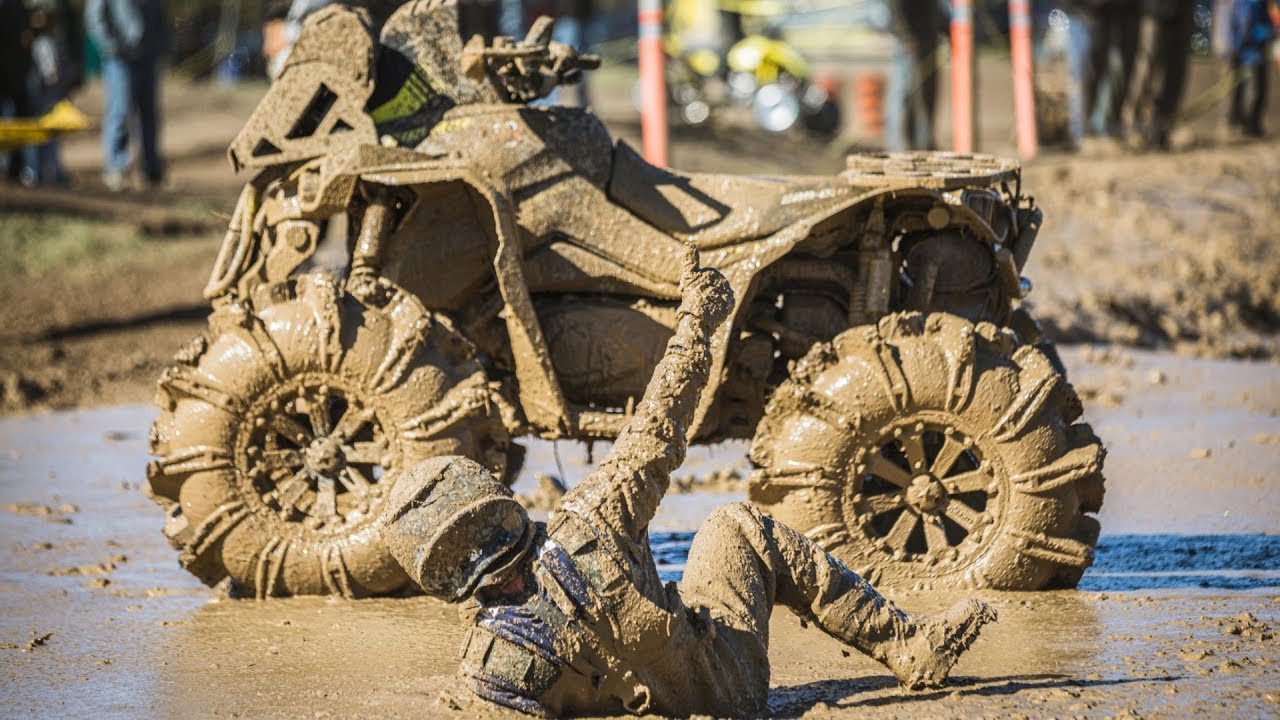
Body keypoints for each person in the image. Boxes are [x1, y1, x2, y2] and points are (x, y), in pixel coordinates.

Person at [381, 249, 996, 717]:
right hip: (726, 686)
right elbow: (660, 421)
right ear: (500, 508)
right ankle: (910, 645)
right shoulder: (594, 519)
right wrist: (698, 319)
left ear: (443, 578)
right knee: (737, 525)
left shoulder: (489, 664)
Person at [85, 0, 167, 191]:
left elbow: (160, 14)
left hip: (148, 56)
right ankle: (115, 168)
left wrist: (160, 45)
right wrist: (111, 46)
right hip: (119, 60)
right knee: (119, 112)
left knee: (150, 115)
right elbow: (94, 17)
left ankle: (151, 169)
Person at [1125, 0, 1196, 148]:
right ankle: (1136, 127)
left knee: (1177, 68)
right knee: (1149, 64)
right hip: (1155, 8)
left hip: (1184, 8)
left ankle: (1163, 129)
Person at [886, 0, 947, 152]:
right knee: (905, 97)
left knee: (926, 96)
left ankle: (923, 144)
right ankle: (900, 147)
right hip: (911, 42)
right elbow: (897, 7)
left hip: (927, 39)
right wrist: (907, 36)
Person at [1224, 0, 1277, 137]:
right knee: (1255, 91)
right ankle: (1248, 125)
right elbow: (1245, 25)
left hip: (1246, 50)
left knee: (1243, 91)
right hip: (1250, 52)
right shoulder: (1252, 3)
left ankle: (1242, 123)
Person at [1, 0, 33, 183]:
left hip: (16, 72)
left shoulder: (16, 5)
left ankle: (16, 169)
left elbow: (25, 35)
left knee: (21, 120)